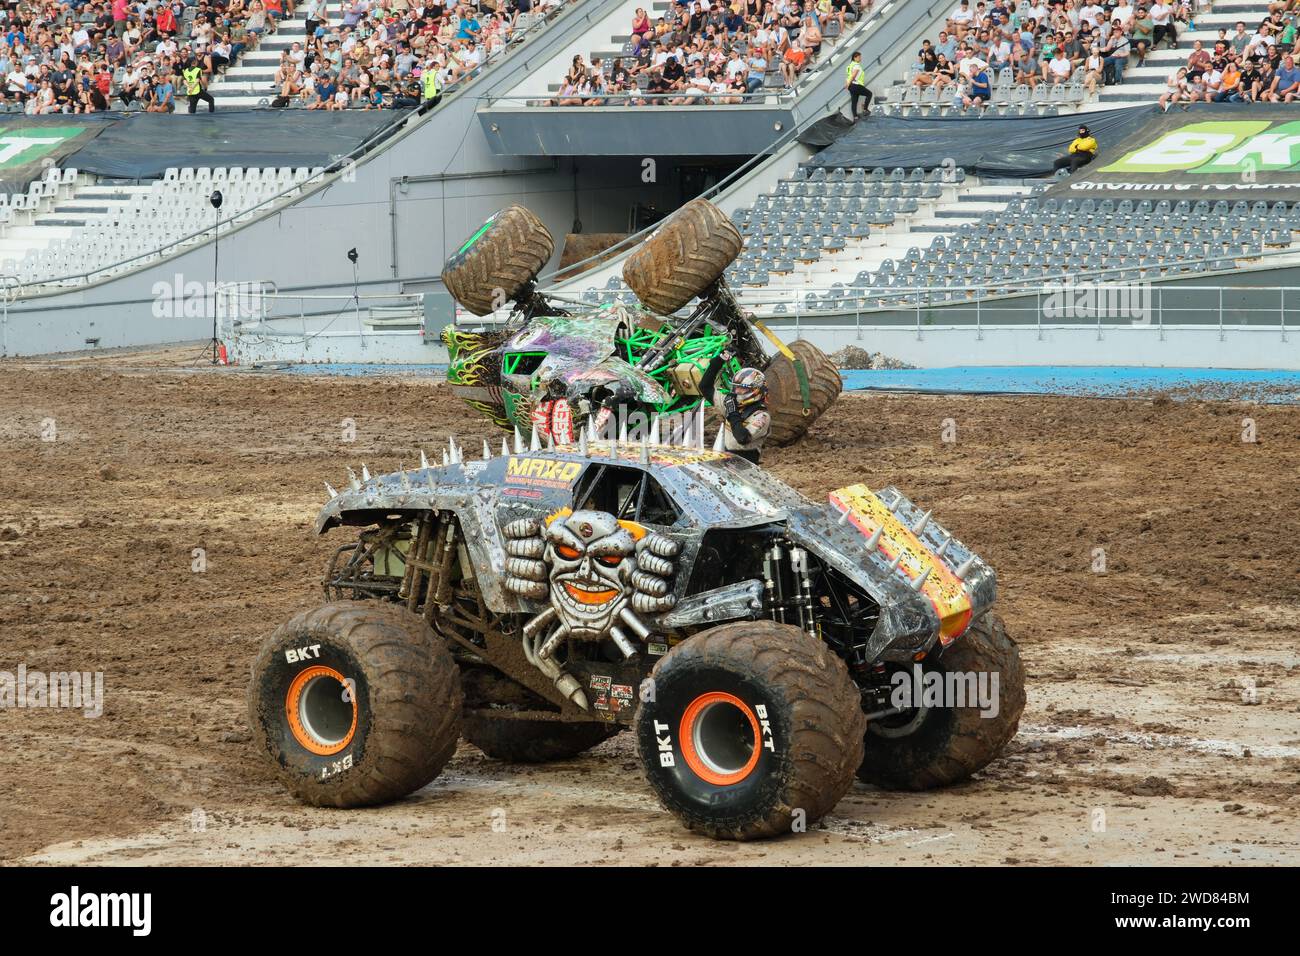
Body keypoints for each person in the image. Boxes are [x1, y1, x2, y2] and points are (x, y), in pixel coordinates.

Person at [699, 353, 771, 464]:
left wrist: (732, 412)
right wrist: (718, 361)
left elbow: (742, 438)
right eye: (735, 387)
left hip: (746, 466)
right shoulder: (733, 404)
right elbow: (705, 387)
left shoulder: (762, 416)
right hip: (725, 460)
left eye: (741, 389)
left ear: (755, 391)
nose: (736, 392)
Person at [845, 49, 871, 118]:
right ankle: (865, 109)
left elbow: (849, 75)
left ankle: (855, 117)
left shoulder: (850, 65)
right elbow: (853, 75)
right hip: (856, 85)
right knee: (869, 94)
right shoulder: (856, 66)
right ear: (855, 58)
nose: (860, 58)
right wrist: (848, 84)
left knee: (854, 101)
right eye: (859, 57)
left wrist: (848, 84)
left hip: (851, 86)